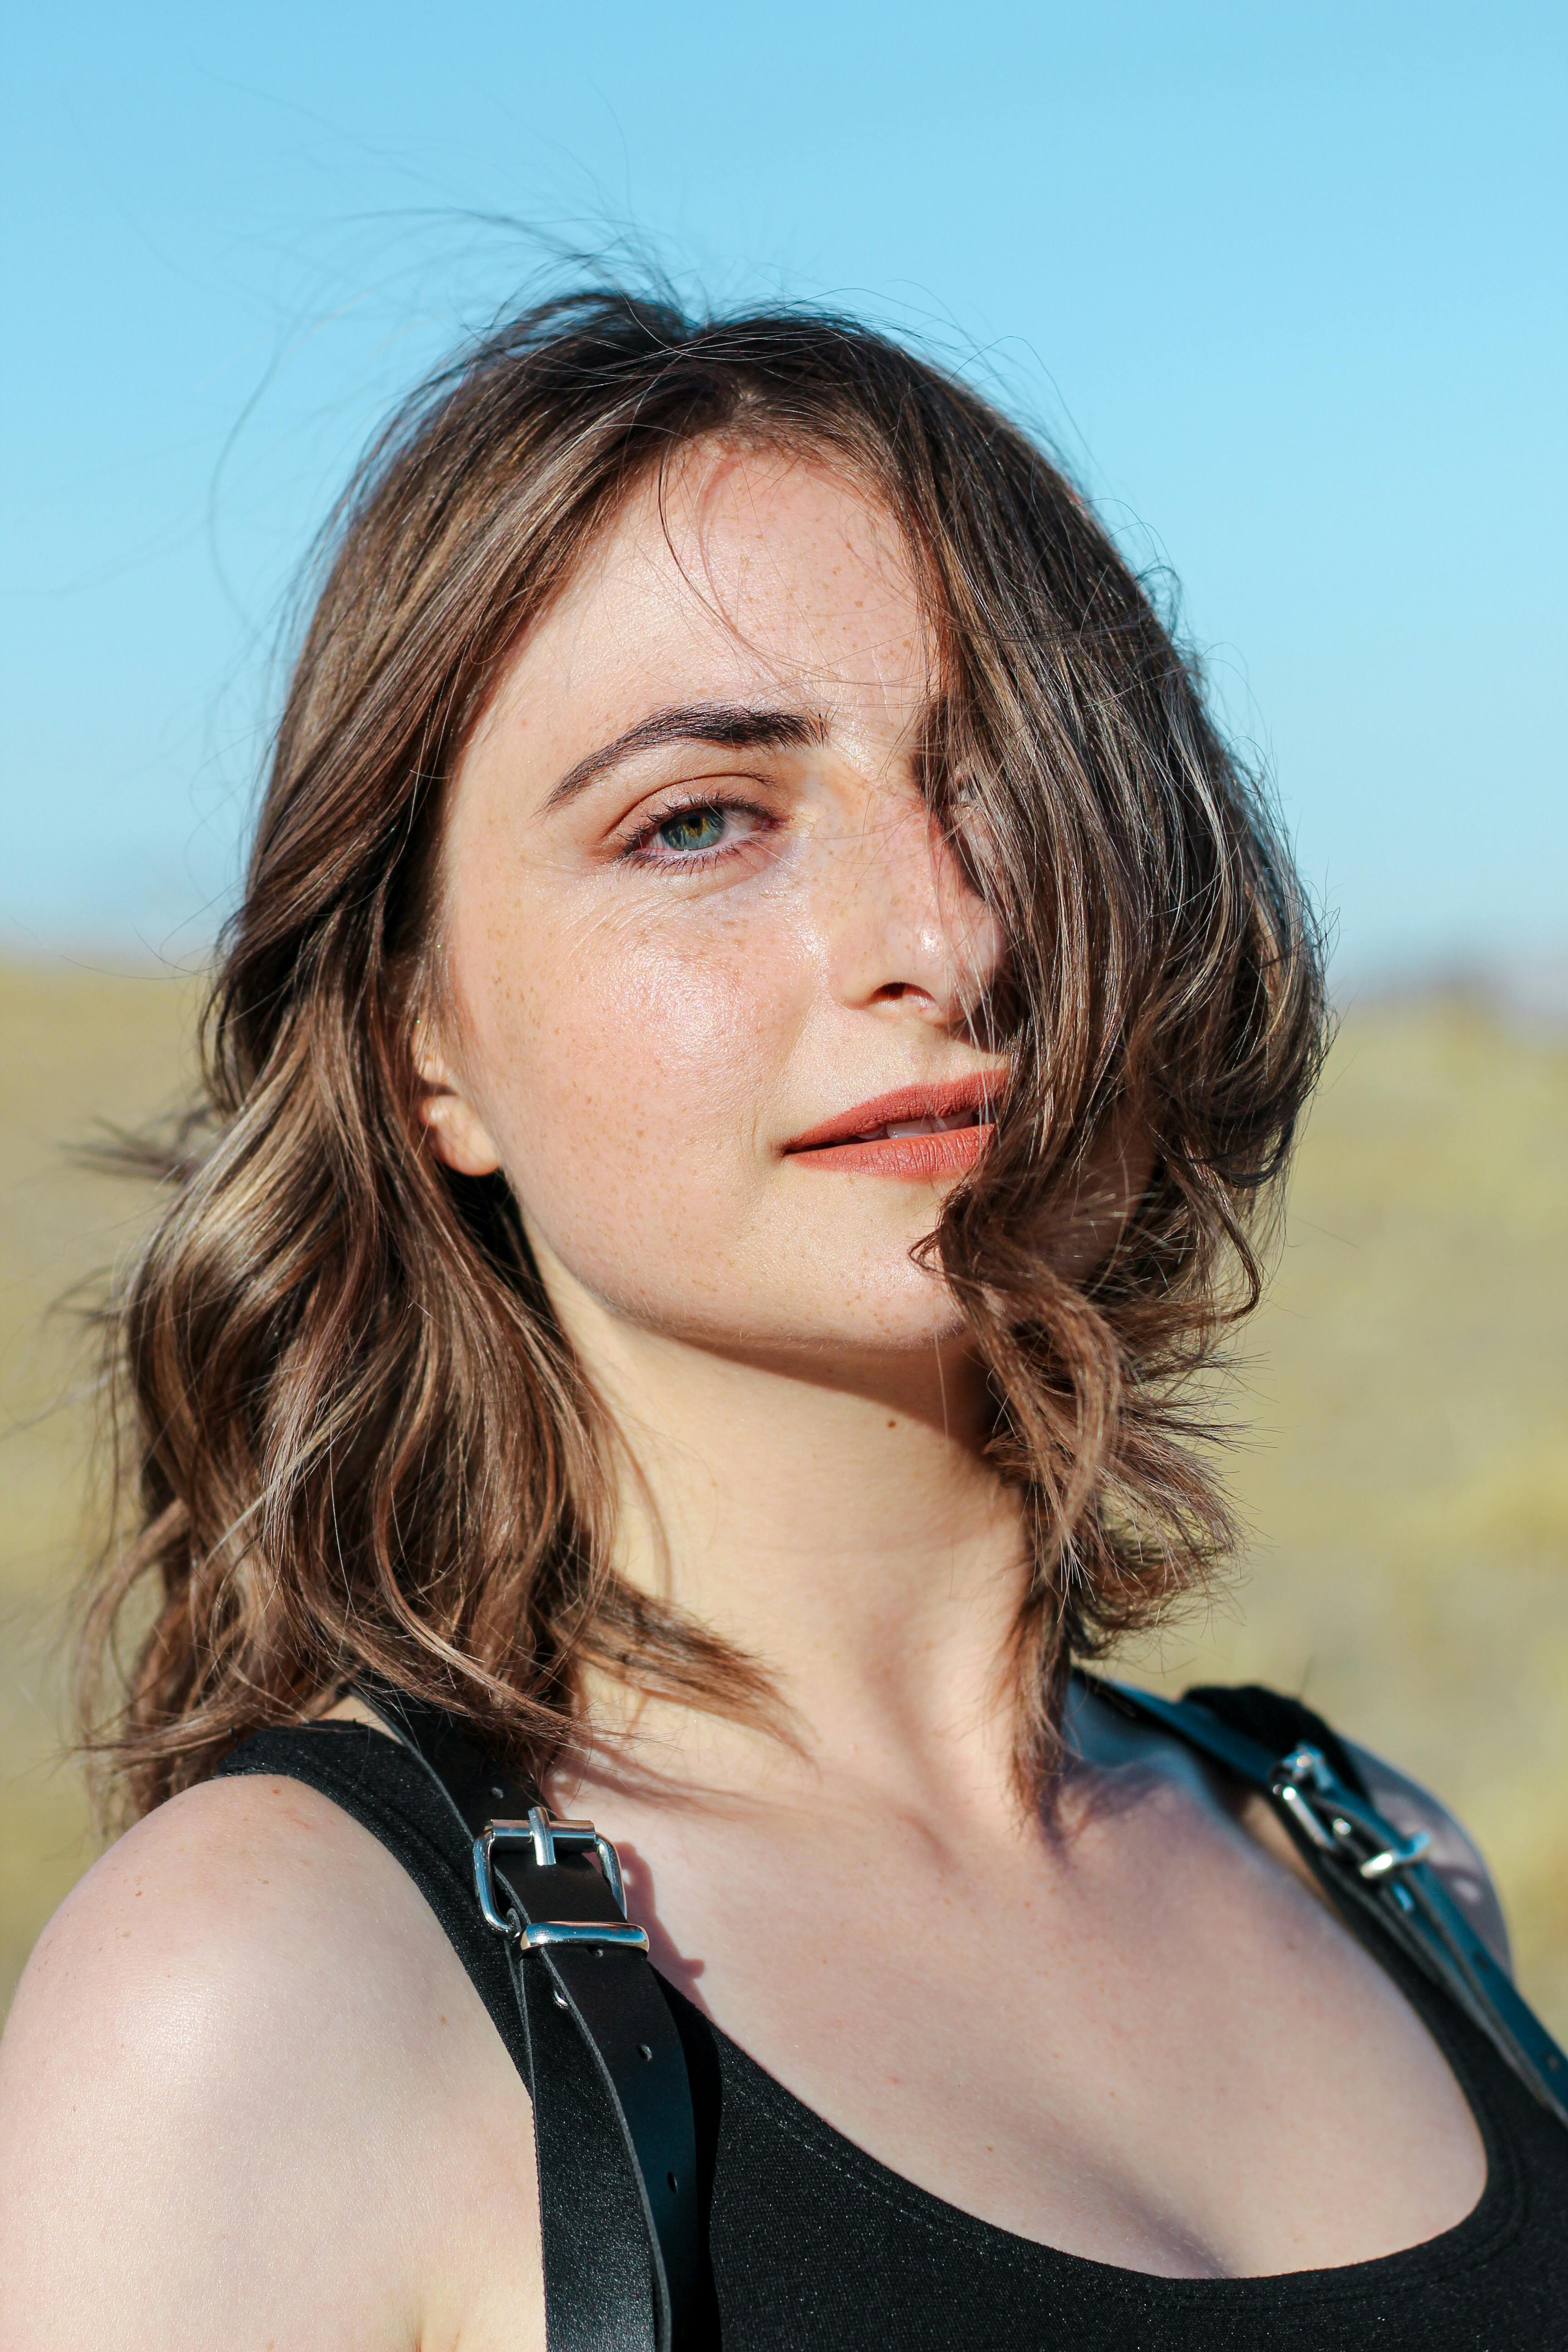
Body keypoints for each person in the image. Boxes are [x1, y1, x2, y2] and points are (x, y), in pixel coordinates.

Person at [0, 291, 1563, 2351]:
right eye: (701, 822)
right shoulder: (270, 1997)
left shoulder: (1373, 1860)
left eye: (1008, 781)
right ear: (421, 1048)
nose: (946, 932)